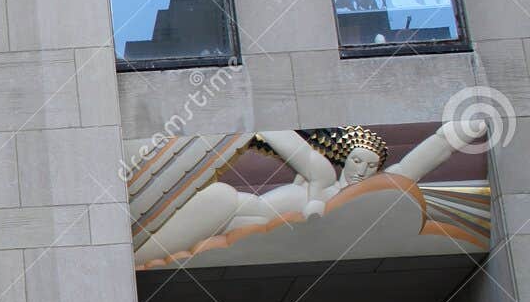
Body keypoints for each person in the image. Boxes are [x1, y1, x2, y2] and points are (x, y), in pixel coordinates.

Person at [135, 120, 489, 265]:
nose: (362, 171)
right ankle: (134, 252)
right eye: (357, 161)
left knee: (220, 198)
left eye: (370, 166)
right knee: (222, 197)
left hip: (228, 218)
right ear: (346, 158)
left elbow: (422, 159)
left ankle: (135, 252)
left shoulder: (373, 192)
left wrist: (456, 134)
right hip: (227, 210)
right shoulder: (320, 178)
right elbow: (284, 140)